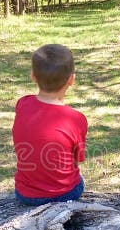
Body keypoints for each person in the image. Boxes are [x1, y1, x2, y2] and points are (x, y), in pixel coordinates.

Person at [13, 44, 88, 206]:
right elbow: (77, 159)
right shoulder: (76, 119)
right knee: (80, 180)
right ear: (71, 80)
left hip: (25, 193)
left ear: (33, 76)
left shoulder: (22, 104)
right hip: (64, 194)